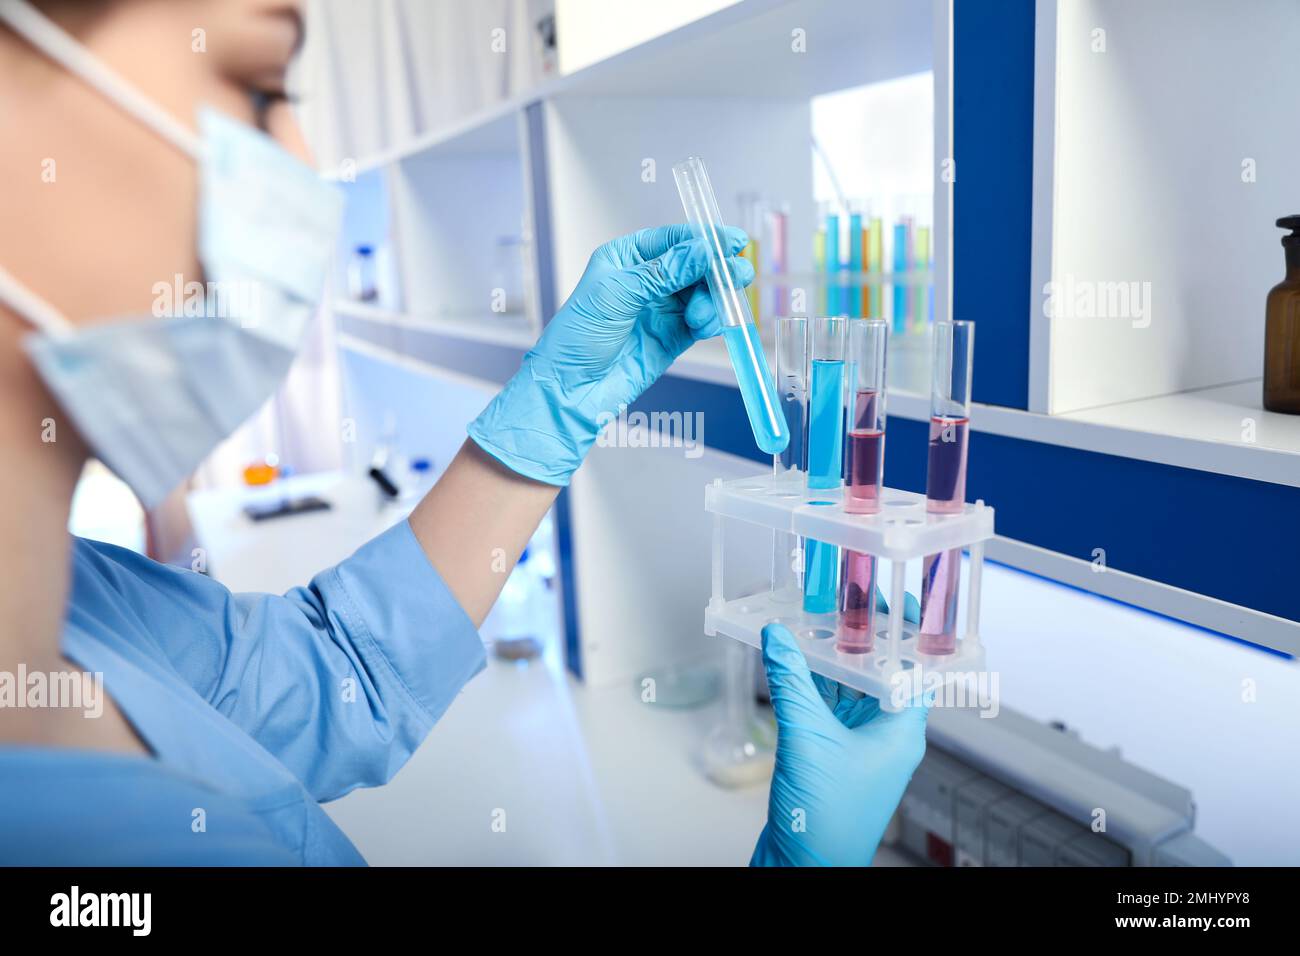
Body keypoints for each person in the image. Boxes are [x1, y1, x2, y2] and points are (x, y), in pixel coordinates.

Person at [0, 0, 927, 866]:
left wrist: (551, 413)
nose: (301, 156)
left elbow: (333, 680)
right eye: (263, 86)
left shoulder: (78, 606)